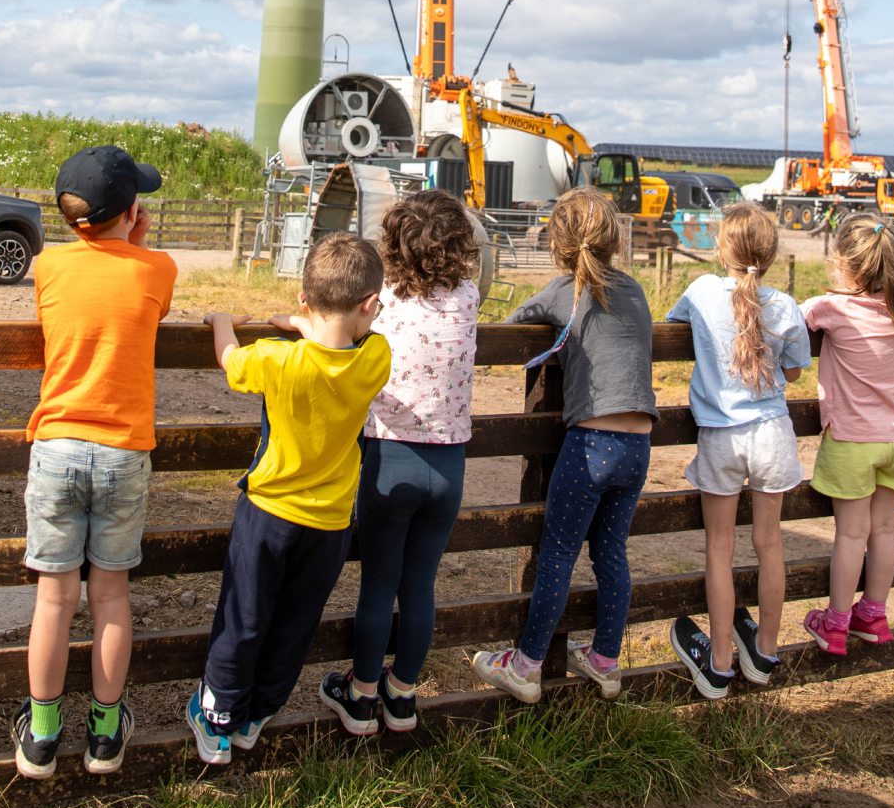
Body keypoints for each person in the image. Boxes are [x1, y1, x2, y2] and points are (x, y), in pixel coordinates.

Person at [185, 232, 391, 765]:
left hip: (269, 513)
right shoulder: (377, 359)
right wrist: (309, 325)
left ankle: (218, 719)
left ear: (304, 298)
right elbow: (350, 343)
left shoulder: (278, 360)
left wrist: (222, 321)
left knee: (245, 615)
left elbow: (231, 361)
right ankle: (257, 715)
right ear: (370, 304)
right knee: (296, 621)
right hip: (330, 524)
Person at [13, 145, 177, 779]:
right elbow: (144, 293)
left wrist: (116, 236)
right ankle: (105, 733)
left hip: (57, 444)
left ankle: (42, 733)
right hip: (123, 452)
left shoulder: (49, 265)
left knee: (54, 601)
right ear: (133, 212)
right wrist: (137, 243)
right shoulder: (157, 268)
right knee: (111, 596)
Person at [472, 188, 655, 703]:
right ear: (614, 239)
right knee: (611, 553)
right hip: (639, 445)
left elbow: (512, 327)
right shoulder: (636, 290)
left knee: (556, 553)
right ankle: (606, 660)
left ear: (558, 244)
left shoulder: (562, 293)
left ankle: (527, 665)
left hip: (592, 443)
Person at [320, 190, 482, 736]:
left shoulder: (382, 299)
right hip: (449, 464)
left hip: (390, 458)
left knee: (378, 583)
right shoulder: (468, 296)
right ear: (459, 243)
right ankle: (403, 694)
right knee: (420, 586)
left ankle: (362, 694)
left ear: (392, 243)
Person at [665, 204, 811, 700]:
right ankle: (765, 652)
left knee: (719, 548)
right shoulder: (785, 305)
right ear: (771, 254)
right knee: (770, 544)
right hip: (772, 433)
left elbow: (673, 326)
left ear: (720, 249)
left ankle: (721, 660)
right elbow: (795, 370)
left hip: (721, 436)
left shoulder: (702, 291)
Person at [802, 215, 894, 656]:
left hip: (855, 438)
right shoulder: (893, 311)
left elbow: (789, 321)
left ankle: (835, 622)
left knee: (852, 534)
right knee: (885, 529)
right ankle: (872, 614)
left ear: (841, 263)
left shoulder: (831, 308)